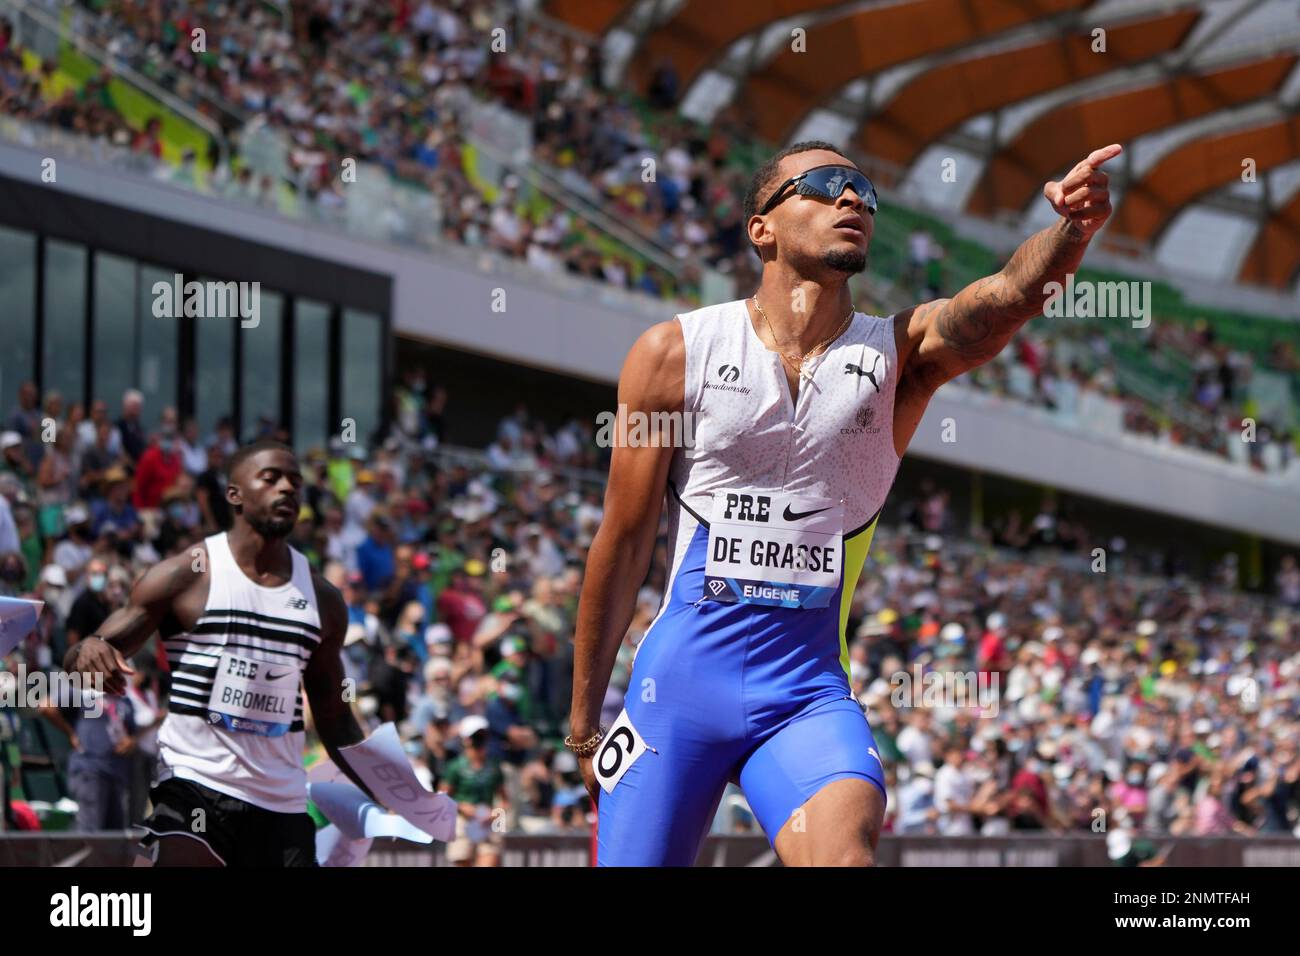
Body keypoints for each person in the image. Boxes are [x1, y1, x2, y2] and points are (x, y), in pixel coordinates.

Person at [568, 139, 1121, 866]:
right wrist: (584, 724)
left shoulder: (900, 358)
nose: (852, 199)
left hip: (805, 698)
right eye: (825, 186)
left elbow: (1006, 299)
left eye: (863, 190)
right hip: (674, 695)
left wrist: (1071, 232)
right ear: (761, 226)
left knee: (843, 857)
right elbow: (626, 537)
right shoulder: (673, 355)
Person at [64, 439, 373, 866]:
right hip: (195, 784)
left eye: (295, 482)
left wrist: (395, 789)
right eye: (271, 479)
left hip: (280, 801)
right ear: (234, 494)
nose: (287, 489)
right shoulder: (187, 575)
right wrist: (87, 653)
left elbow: (336, 719)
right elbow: (87, 653)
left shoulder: (322, 599)